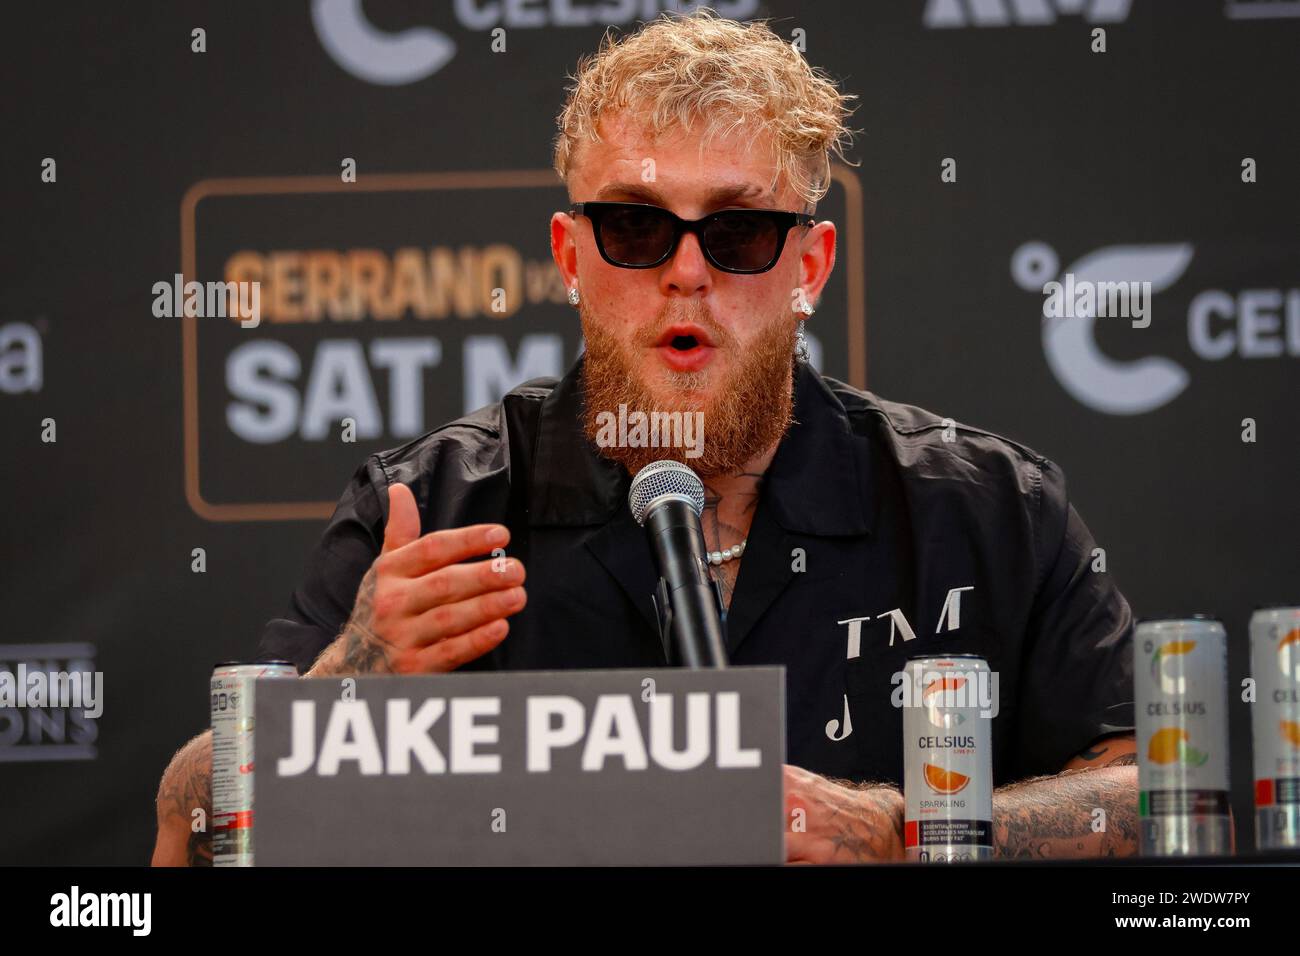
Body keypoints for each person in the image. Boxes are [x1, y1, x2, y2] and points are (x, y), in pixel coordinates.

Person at [154, 9, 1141, 866]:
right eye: (634, 226)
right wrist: (350, 684)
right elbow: (188, 819)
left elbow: (1152, 791)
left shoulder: (982, 509)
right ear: (569, 254)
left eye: (738, 230)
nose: (684, 271)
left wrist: (899, 826)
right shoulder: (435, 510)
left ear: (810, 264)